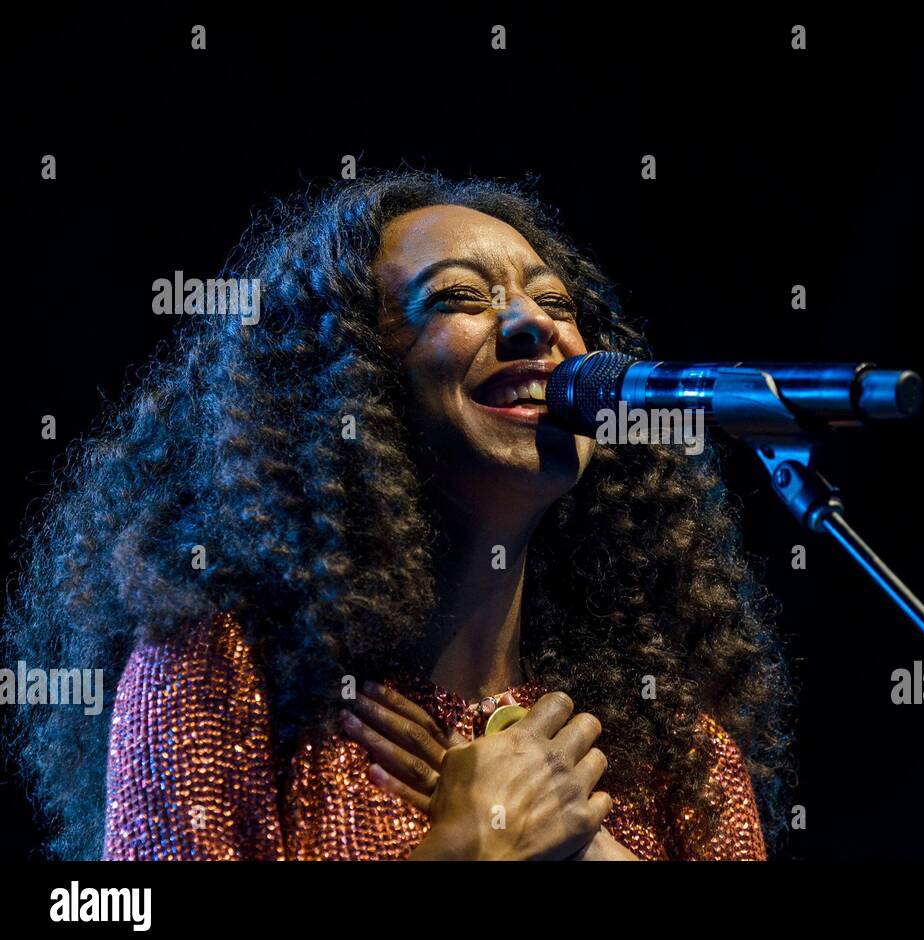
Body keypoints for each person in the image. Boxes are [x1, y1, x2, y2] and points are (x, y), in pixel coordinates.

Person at [4, 170, 793, 860]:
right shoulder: (223, 681)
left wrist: (591, 846)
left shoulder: (677, 746)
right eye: (458, 297)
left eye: (555, 303)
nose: (534, 324)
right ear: (352, 385)